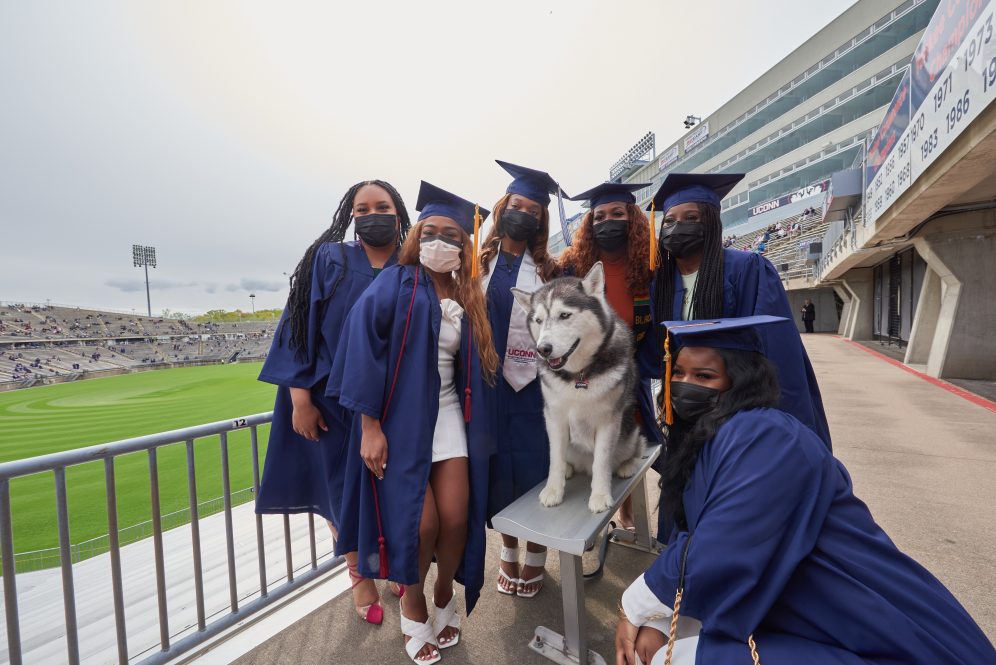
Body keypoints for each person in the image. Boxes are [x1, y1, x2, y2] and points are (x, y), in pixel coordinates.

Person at [616, 316, 994, 665]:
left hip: (877, 632)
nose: (684, 386)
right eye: (678, 373)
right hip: (811, 613)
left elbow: (727, 544)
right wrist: (661, 618)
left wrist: (637, 604)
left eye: (704, 376)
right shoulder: (710, 439)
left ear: (740, 380)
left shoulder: (766, 434)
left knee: (686, 657)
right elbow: (696, 536)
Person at [329, 181, 498, 664]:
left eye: (451, 235)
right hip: (401, 423)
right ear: (418, 236)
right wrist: (369, 427)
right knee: (420, 525)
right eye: (432, 232)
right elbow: (360, 350)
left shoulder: (469, 294)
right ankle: (414, 600)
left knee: (456, 518)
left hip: (450, 420)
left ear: (464, 246)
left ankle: (444, 592)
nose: (440, 241)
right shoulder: (396, 283)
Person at [255, 180, 410, 625]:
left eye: (381, 206)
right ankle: (360, 577)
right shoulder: (331, 259)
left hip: (394, 403)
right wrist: (299, 399)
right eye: (362, 208)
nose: (372, 214)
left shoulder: (411, 263)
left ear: (398, 214)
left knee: (391, 490)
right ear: (350, 215)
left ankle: (393, 565)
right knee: (338, 495)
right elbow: (299, 326)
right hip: (329, 402)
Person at [646, 172, 829, 449]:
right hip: (684, 405)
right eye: (669, 221)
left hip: (737, 408)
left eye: (691, 218)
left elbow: (776, 349)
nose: (677, 227)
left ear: (711, 222)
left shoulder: (747, 269)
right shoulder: (660, 284)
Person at [479, 160, 563, 599]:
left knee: (536, 472)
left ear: (540, 221)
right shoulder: (477, 264)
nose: (524, 215)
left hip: (537, 392)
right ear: (501, 208)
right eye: (517, 206)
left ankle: (536, 555)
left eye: (534, 211)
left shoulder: (551, 270)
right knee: (499, 474)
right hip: (491, 388)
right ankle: (507, 549)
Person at [560, 181, 662, 530]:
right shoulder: (573, 269)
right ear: (589, 224)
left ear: (632, 218)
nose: (608, 221)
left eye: (617, 214)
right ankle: (588, 519)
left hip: (628, 376)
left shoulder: (650, 267)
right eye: (599, 216)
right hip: (582, 377)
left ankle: (628, 514)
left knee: (626, 445)